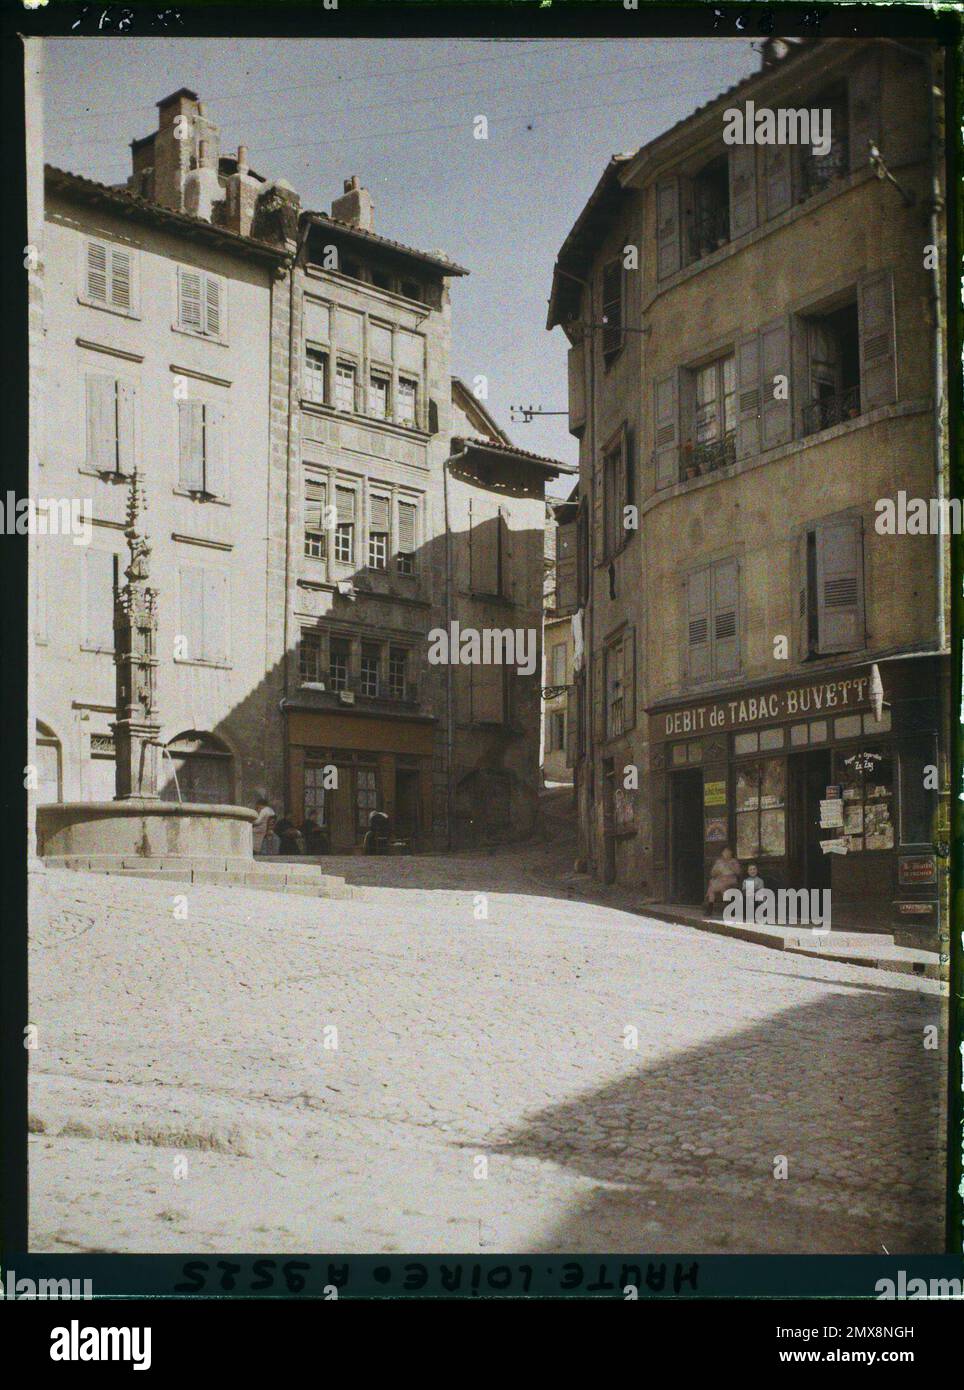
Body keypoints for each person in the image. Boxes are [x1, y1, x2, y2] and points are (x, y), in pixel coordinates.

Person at [705, 846, 741, 911]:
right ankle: (710, 908)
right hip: (720, 879)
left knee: (720, 886)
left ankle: (728, 908)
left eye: (728, 851)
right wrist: (715, 872)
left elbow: (738, 872)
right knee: (711, 888)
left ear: (731, 853)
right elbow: (712, 873)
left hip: (731, 879)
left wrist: (730, 865)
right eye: (725, 852)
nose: (726, 853)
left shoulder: (734, 861)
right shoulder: (719, 862)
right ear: (722, 853)